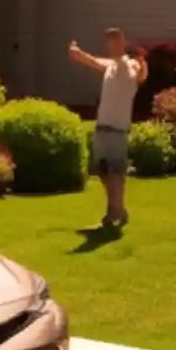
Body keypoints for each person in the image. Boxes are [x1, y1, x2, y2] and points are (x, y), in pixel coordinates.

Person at [68, 28, 147, 228]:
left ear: (123, 43)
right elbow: (94, 61)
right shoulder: (111, 66)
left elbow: (140, 76)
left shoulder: (130, 65)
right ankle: (117, 209)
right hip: (102, 126)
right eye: (109, 43)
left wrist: (143, 66)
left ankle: (114, 212)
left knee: (116, 172)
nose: (112, 46)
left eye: (116, 42)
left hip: (118, 128)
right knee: (102, 171)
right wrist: (78, 55)